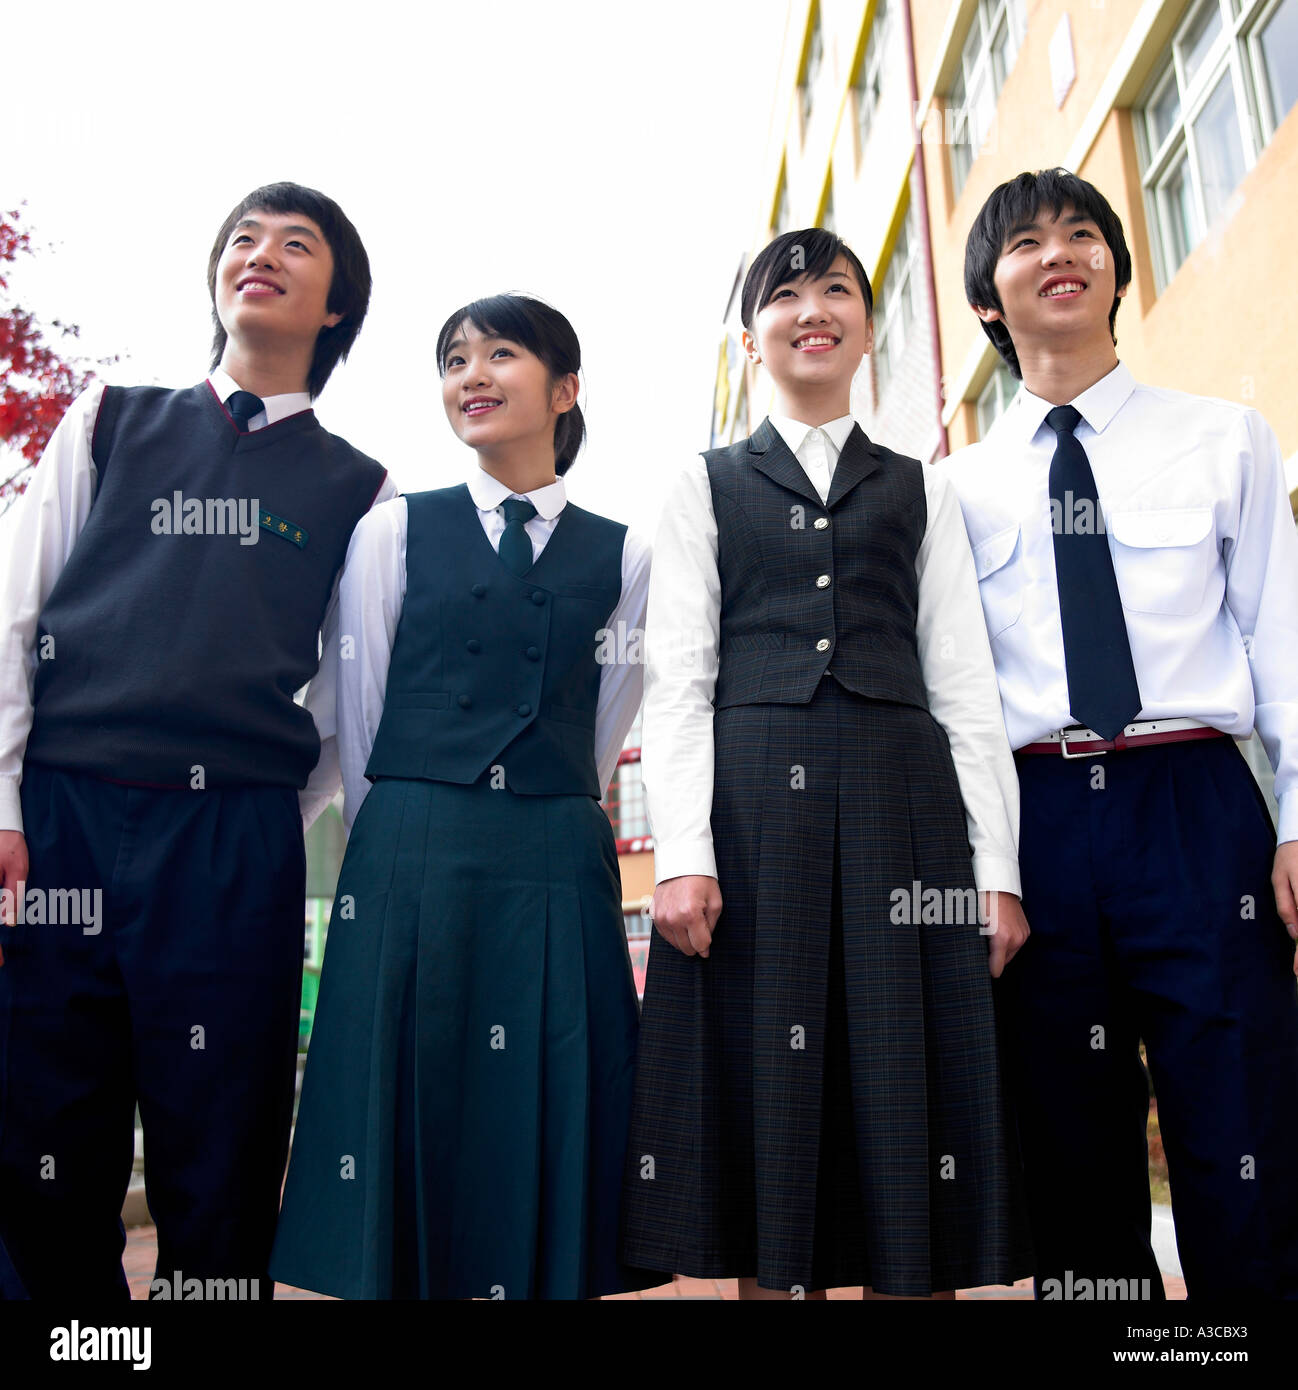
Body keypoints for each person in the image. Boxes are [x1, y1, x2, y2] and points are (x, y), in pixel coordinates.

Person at [620, 227, 1032, 1299]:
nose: (812, 308)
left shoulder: (920, 486)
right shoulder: (700, 484)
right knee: (772, 1111)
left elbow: (963, 684)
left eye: (835, 290)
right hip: (753, 818)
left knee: (911, 1103)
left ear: (863, 328)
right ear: (750, 338)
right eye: (784, 294)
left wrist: (995, 870)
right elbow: (678, 679)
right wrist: (681, 854)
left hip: (908, 812)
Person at [0, 181, 392, 1300]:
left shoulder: (361, 493)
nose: (258, 253)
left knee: (218, 1162)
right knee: (41, 1147)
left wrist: (264, 805)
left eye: (295, 244)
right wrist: (5, 805)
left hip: (230, 852)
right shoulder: (111, 418)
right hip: (63, 825)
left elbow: (347, 700)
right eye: (241, 238)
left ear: (334, 306)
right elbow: (12, 612)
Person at [940, 167, 1298, 1299]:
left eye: (1084, 233)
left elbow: (1280, 645)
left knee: (1241, 1119)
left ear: (1112, 267)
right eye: (1028, 241)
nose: (1062, 251)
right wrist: (983, 871)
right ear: (987, 300)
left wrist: (1293, 824)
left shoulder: (1222, 440)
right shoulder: (951, 491)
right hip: (1037, 817)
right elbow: (954, 703)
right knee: (1070, 1153)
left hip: (1195, 808)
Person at [268, 293, 661, 1300]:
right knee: (413, 1097)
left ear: (564, 389)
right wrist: (396, 842)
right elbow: (358, 711)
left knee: (544, 1092)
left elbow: (605, 718)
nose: (471, 375)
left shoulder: (628, 555)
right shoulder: (391, 531)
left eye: (500, 354)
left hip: (553, 851)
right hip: (409, 847)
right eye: (453, 360)